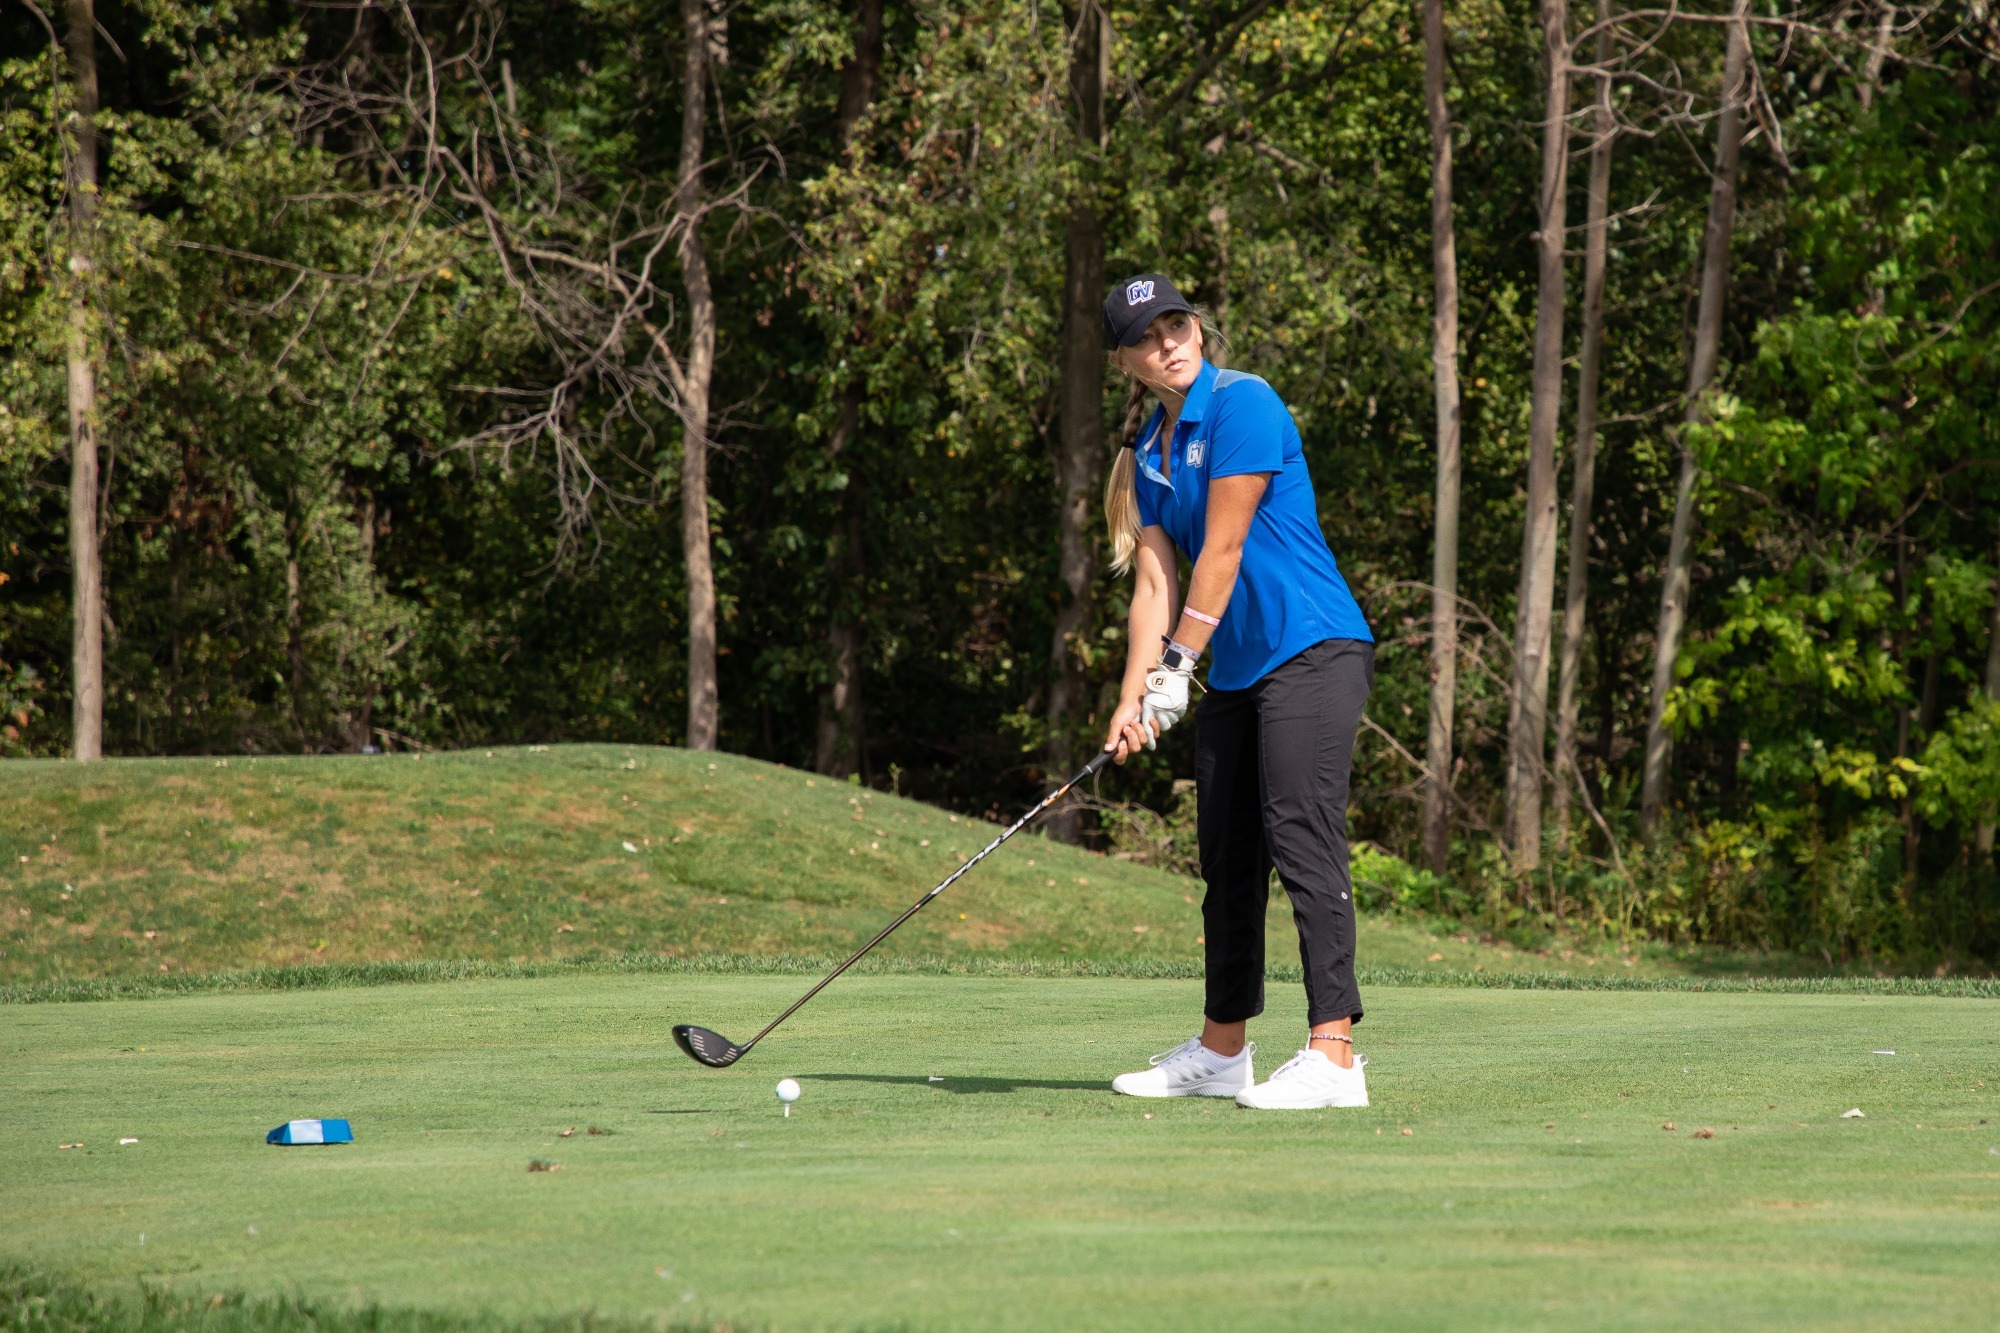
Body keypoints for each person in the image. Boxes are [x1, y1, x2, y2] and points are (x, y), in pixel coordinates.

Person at [1098, 273, 1376, 1111]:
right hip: (1240, 669)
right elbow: (1154, 582)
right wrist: (1130, 696)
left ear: (1197, 328)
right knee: (1227, 855)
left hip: (1315, 645)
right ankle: (1224, 1051)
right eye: (1148, 337)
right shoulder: (1146, 455)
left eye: (1177, 324)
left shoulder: (1245, 404)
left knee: (1301, 833)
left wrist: (1179, 665)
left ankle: (1334, 1055)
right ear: (1127, 362)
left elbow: (1222, 550)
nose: (1170, 343)